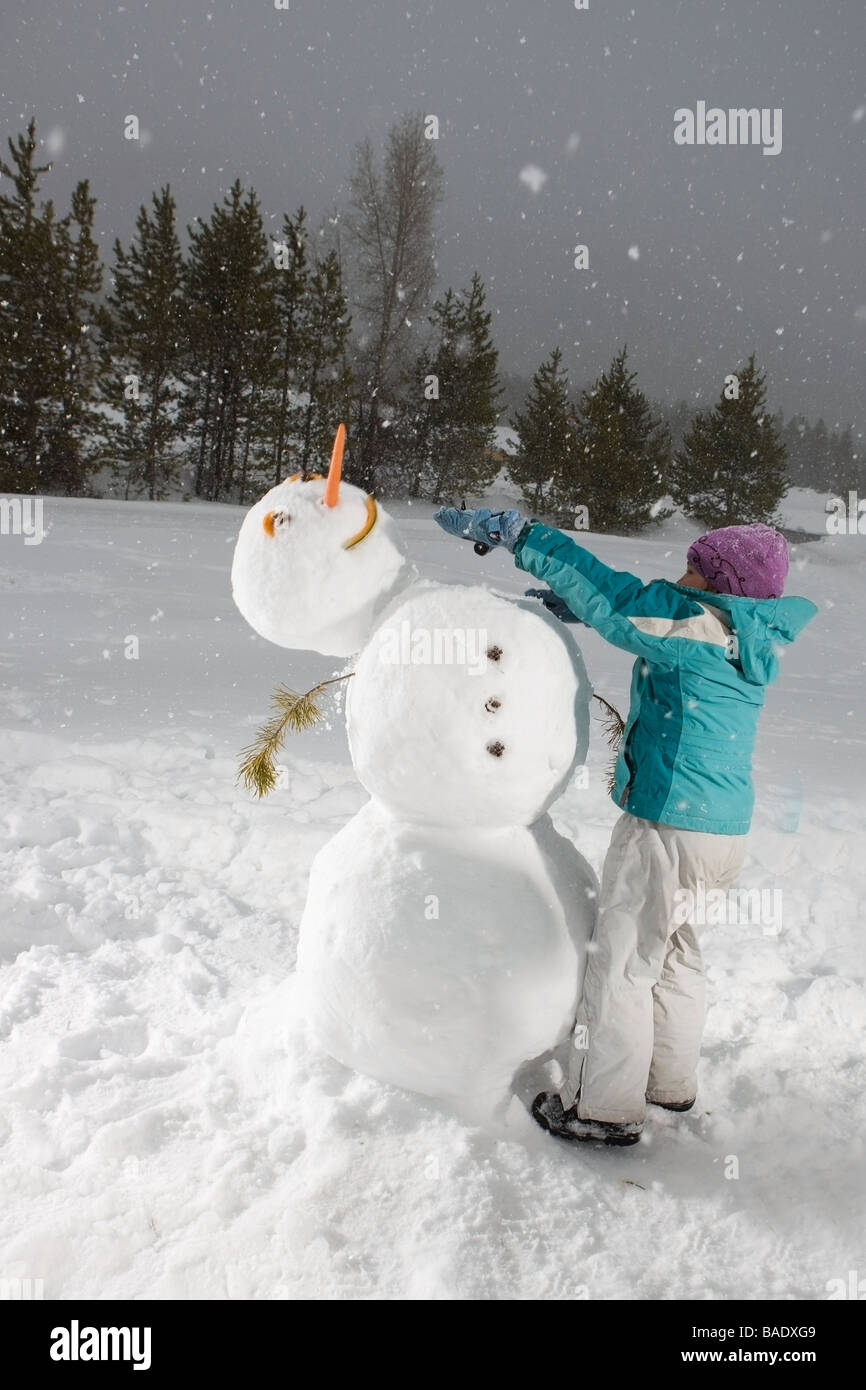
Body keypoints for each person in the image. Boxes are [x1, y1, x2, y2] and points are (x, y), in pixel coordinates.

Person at [433, 507, 817, 1146]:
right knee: (676, 953)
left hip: (669, 826)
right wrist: (584, 610)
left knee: (624, 964)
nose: (682, 572)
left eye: (695, 566)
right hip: (720, 832)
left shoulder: (695, 621)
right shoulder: (742, 633)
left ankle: (601, 1107)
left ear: (722, 582)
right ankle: (669, 1083)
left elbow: (622, 599)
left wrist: (523, 536)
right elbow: (634, 618)